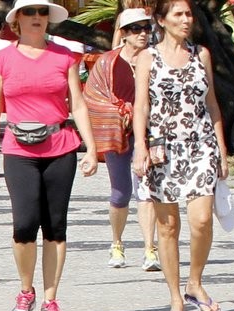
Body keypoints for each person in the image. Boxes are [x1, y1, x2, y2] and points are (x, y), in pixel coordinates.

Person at [0, 0, 97, 311]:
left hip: (60, 147)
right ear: (17, 19)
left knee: (55, 226)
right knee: (25, 225)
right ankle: (25, 290)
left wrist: (90, 148)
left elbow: (78, 104)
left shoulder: (64, 57)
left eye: (42, 12)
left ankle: (50, 300)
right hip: (19, 150)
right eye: (29, 12)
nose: (36, 18)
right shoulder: (1, 60)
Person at [132, 0, 228, 311]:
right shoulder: (148, 58)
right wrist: (139, 147)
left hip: (200, 145)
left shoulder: (201, 55)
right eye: (178, 14)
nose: (186, 20)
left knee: (202, 220)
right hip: (162, 148)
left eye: (188, 14)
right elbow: (141, 106)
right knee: (168, 225)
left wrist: (222, 150)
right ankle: (175, 295)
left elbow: (212, 104)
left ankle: (195, 281)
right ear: (161, 19)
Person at [84, 8, 159, 270]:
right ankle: (117, 242)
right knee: (121, 192)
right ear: (124, 34)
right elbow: (92, 99)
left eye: (146, 28)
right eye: (136, 29)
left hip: (149, 134)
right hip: (117, 134)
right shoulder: (108, 62)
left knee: (147, 190)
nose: (143, 34)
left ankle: (151, 248)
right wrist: (120, 112)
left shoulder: (157, 60)